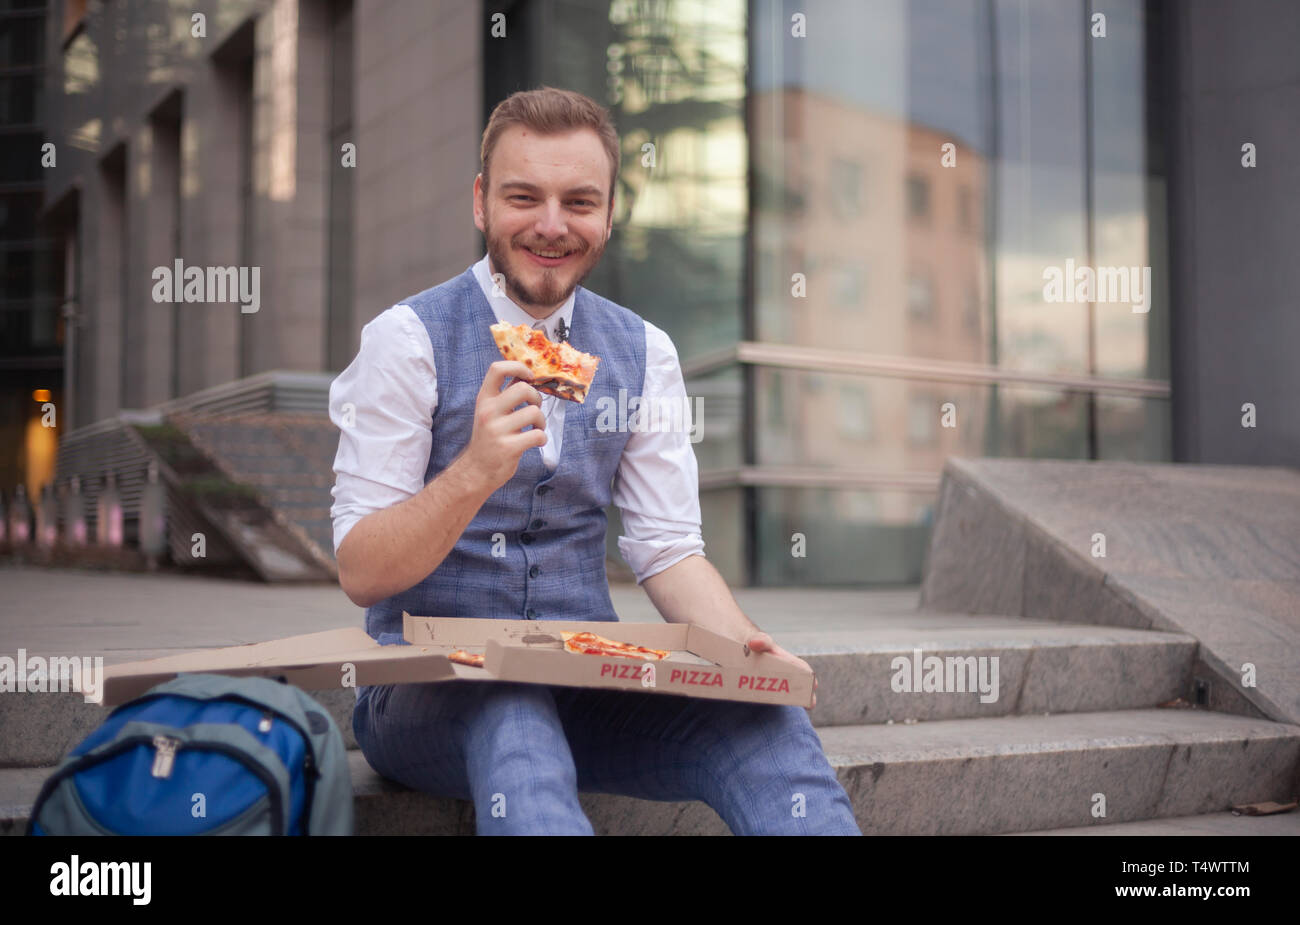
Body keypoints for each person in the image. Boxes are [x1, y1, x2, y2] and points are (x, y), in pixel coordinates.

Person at [329, 86, 860, 836]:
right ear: (481, 202)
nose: (551, 226)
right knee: (510, 707)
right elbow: (361, 570)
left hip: (585, 675)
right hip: (423, 689)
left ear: (609, 213)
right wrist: (474, 472)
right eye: (524, 197)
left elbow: (669, 548)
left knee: (763, 721)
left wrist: (745, 650)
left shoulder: (645, 351)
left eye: (579, 201)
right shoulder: (406, 340)